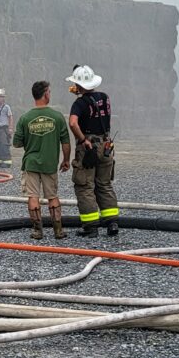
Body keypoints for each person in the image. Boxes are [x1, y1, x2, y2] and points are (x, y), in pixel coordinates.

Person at [12, 79, 71, 241]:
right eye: (49, 92)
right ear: (45, 94)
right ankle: (58, 231)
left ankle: (38, 231)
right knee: (52, 196)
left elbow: (16, 143)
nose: (50, 94)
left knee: (33, 196)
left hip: (31, 164)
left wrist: (30, 139)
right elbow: (66, 142)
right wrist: (66, 160)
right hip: (50, 164)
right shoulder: (57, 117)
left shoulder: (25, 118)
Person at [65, 64, 118, 237]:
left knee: (85, 185)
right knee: (104, 184)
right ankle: (112, 223)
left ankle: (90, 226)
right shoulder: (104, 97)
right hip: (106, 146)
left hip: (88, 147)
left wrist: (82, 139)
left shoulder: (80, 103)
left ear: (78, 85)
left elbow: (73, 123)